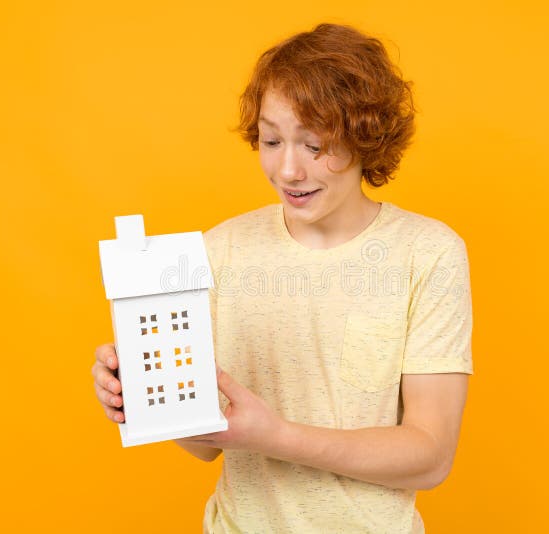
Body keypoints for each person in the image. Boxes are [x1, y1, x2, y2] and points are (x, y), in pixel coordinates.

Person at [92, 22, 473, 533]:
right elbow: (205, 443)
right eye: (272, 140)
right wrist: (147, 391)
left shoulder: (426, 254)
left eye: (314, 146)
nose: (288, 170)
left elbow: (430, 456)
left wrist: (275, 436)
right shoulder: (220, 249)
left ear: (365, 137)